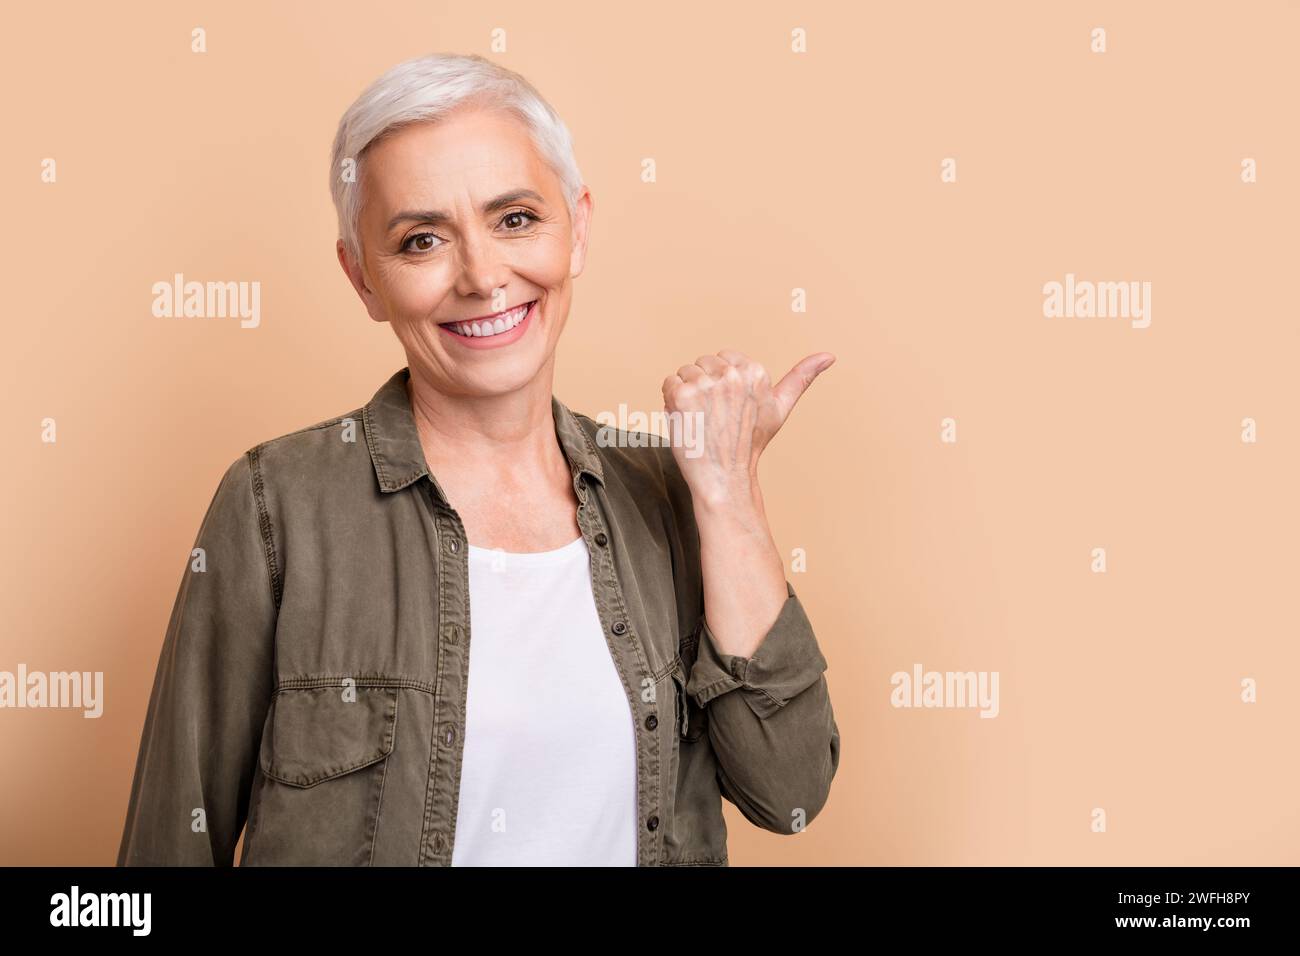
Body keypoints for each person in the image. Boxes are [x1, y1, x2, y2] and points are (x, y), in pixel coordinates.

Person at [117, 51, 840, 867]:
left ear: (579, 228)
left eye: (516, 219)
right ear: (362, 279)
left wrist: (727, 492)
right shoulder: (275, 506)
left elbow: (791, 795)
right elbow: (167, 848)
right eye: (421, 239)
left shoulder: (672, 496)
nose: (484, 275)